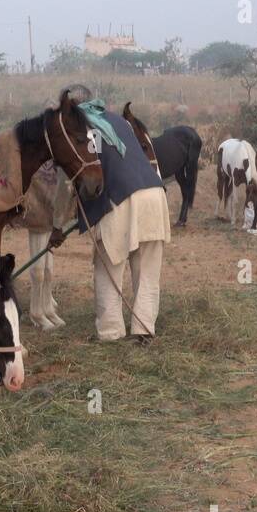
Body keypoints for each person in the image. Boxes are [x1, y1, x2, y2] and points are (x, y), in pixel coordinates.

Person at [77, 100, 171, 343]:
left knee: (108, 267)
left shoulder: (81, 132)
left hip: (121, 199)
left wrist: (57, 227)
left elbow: (77, 179)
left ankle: (110, 333)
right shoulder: (120, 122)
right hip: (154, 195)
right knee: (147, 271)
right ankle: (144, 330)